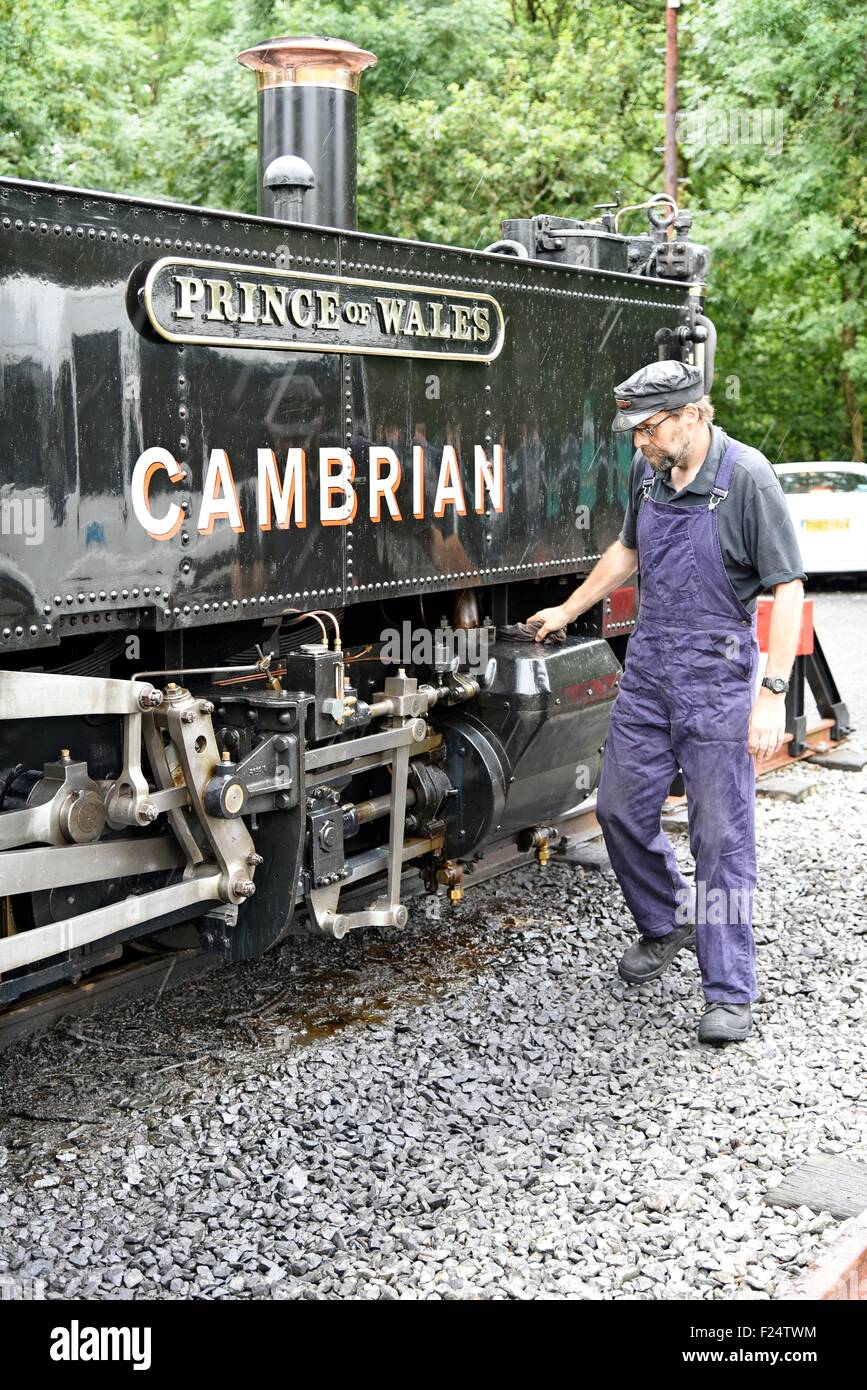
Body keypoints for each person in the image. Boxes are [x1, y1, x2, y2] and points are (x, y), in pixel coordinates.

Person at [528, 361, 806, 1044]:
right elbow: (627, 550)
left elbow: (789, 588)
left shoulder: (748, 478)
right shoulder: (648, 471)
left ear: (690, 415)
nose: (638, 442)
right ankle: (667, 919)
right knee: (618, 810)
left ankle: (729, 990)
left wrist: (771, 694)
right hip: (650, 669)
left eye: (647, 428)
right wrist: (568, 609)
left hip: (718, 677)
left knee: (720, 838)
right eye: (632, 431)